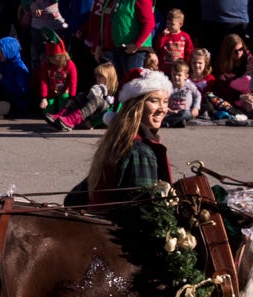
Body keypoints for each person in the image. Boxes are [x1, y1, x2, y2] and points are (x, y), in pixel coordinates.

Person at [65, 70, 173, 207]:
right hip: (112, 221)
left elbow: (73, 198)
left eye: (165, 101)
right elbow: (145, 210)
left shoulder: (118, 139)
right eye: (154, 101)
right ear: (136, 106)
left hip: (99, 218)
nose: (162, 109)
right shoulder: (140, 151)